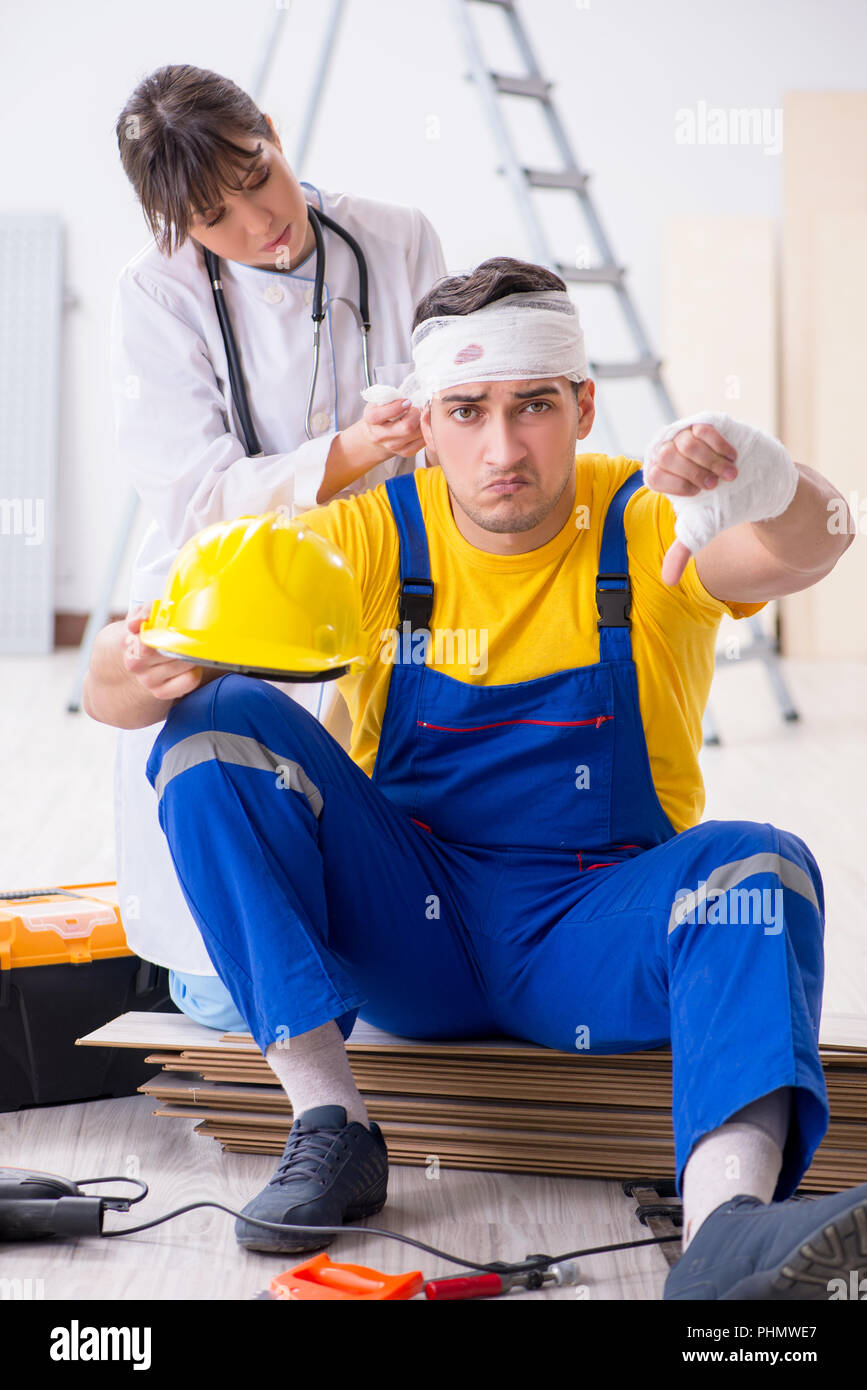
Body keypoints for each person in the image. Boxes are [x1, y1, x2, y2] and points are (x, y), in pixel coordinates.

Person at [93, 255, 861, 1302]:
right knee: (213, 726)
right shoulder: (370, 533)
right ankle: (332, 1123)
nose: (503, 448)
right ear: (426, 417)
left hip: (595, 929)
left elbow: (818, 540)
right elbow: (121, 682)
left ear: (583, 405)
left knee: (763, 868)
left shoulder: (653, 518)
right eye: (468, 410)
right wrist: (132, 670)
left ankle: (728, 1232)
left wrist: (762, 481)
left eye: (535, 406)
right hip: (407, 931)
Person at [85, 64, 447, 1026]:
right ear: (177, 227)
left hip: (380, 588)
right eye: (215, 218)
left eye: (257, 177)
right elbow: (197, 493)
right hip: (228, 603)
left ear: (273, 133)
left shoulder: (397, 236)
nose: (257, 222)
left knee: (389, 922)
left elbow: (460, 401)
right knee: (227, 987)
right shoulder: (154, 295)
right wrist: (349, 453)